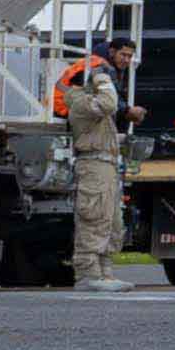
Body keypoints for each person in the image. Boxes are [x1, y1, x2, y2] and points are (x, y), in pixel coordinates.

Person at [57, 55, 137, 290]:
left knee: (112, 220)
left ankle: (105, 273)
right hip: (93, 166)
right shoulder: (80, 102)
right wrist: (101, 78)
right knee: (94, 218)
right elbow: (109, 104)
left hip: (106, 166)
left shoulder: (89, 102)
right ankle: (88, 274)